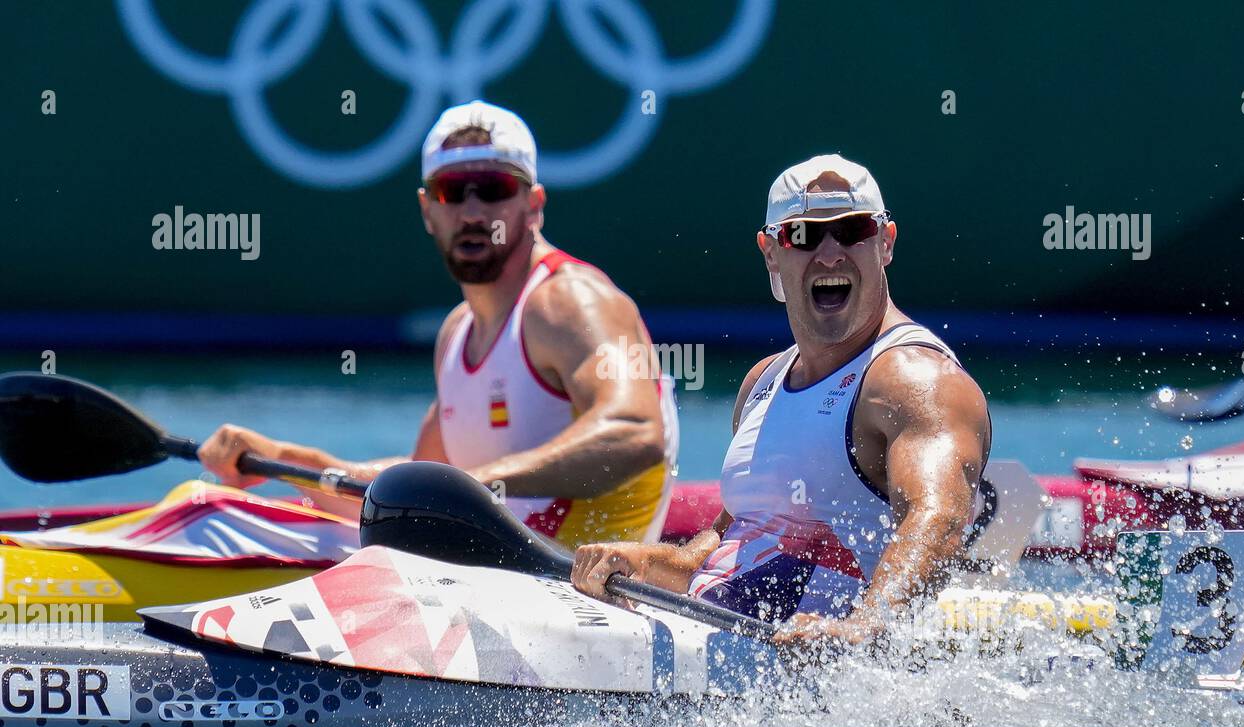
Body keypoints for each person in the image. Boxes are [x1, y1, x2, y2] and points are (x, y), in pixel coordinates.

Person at [199, 101, 679, 548]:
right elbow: (417, 483)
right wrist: (284, 459)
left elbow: (636, 431)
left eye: (493, 189)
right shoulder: (457, 332)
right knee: (213, 511)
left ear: (533, 203)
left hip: (576, 590)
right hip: (492, 575)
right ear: (428, 209)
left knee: (224, 531)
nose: (472, 213)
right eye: (452, 192)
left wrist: (480, 481)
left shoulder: (568, 301)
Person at [571, 154, 990, 646]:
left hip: (828, 683)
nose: (830, 254)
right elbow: (722, 548)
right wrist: (644, 562)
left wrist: (868, 626)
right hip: (725, 649)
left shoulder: (915, 379)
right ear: (771, 251)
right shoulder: (761, 384)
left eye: (852, 230)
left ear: (886, 243)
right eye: (804, 235)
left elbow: (937, 517)